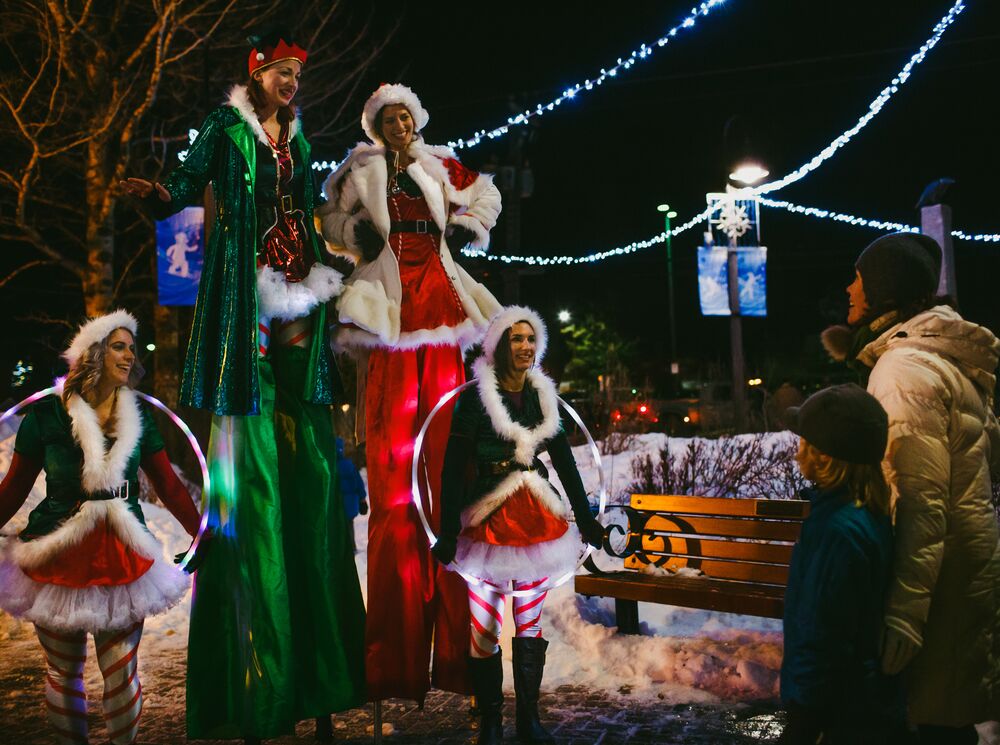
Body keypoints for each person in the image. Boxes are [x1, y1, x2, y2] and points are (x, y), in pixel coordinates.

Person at [121, 30, 365, 743]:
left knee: (313, 475)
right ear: (254, 76)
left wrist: (338, 261)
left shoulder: (302, 138)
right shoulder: (227, 131)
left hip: (298, 300)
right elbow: (182, 181)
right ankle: (271, 687)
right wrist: (153, 194)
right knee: (259, 491)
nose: (291, 82)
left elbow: (306, 217)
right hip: (246, 307)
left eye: (297, 73)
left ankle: (322, 681)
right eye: (279, 72)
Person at [318, 83, 502, 703]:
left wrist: (467, 222)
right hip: (391, 305)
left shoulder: (440, 162)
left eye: (405, 114)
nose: (398, 124)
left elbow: (486, 191)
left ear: (415, 119)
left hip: (442, 300)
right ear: (375, 124)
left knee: (449, 462)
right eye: (387, 116)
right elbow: (329, 219)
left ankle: (458, 656)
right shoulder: (359, 167)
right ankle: (393, 657)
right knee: (397, 477)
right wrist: (354, 236)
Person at [822, 232, 1000, 743]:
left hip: (934, 585)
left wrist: (903, 614)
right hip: (962, 568)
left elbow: (918, 499)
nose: (849, 289)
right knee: (949, 719)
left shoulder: (903, 370)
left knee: (932, 725)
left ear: (884, 291)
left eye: (858, 281)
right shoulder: (940, 360)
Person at [0, 310, 202, 745]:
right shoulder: (47, 416)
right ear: (92, 352)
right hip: (55, 556)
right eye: (119, 346)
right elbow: (14, 486)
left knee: (121, 675)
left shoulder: (140, 419)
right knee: (62, 672)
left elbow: (167, 482)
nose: (130, 355)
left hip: (122, 556)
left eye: (132, 347)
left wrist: (203, 532)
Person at [431, 306, 604, 745]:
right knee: (484, 628)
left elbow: (563, 460)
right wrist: (448, 529)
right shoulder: (475, 398)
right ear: (499, 344)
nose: (526, 346)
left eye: (531, 339)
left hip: (535, 522)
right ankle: (490, 720)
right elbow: (453, 467)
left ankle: (528, 719)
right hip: (487, 521)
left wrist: (586, 519)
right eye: (516, 338)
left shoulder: (544, 395)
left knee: (529, 626)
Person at [778, 383, 901, 744]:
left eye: (804, 441)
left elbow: (822, 628)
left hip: (830, 711)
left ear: (823, 456)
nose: (797, 451)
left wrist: (806, 716)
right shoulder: (862, 513)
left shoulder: (835, 531)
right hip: (851, 701)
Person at [336, 436, 367, 553]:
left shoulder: (332, 467)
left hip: (340, 502)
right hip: (351, 501)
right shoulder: (349, 465)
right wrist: (362, 497)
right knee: (349, 524)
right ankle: (352, 547)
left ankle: (343, 549)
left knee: (340, 526)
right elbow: (358, 482)